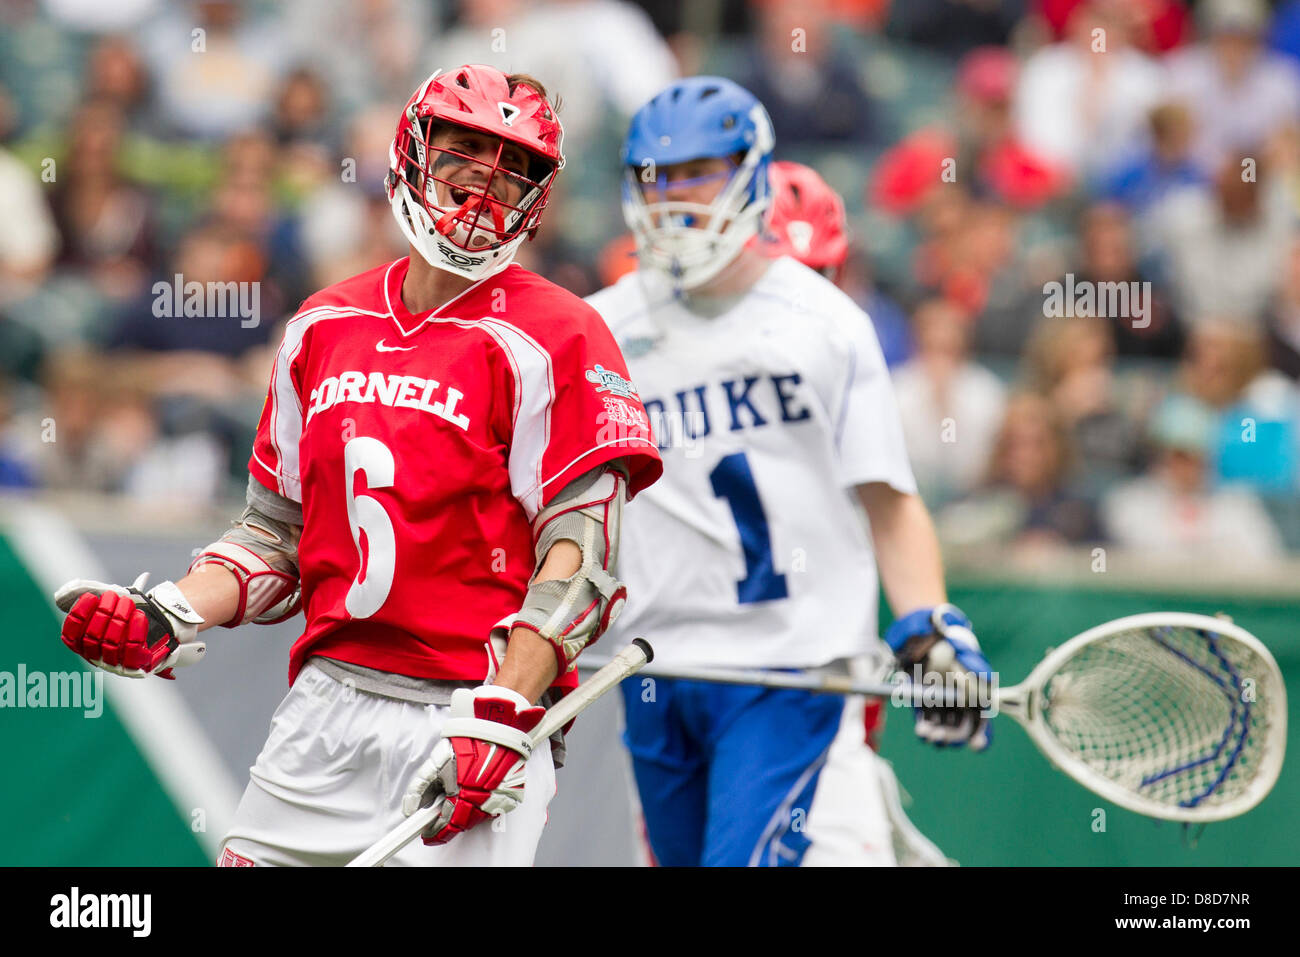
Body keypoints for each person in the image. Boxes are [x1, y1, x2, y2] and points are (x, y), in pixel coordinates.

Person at [52, 65, 662, 867]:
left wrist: (506, 708)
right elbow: (277, 537)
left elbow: (582, 560)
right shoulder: (323, 323)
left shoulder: (559, 334)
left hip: (466, 713)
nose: (484, 188)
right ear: (414, 149)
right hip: (324, 705)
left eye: (512, 170)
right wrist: (171, 610)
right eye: (465, 155)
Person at [587, 76, 993, 867]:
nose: (676, 195)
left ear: (750, 170)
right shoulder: (598, 327)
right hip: (653, 670)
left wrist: (930, 626)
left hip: (788, 667)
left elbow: (890, 501)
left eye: (699, 171)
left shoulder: (826, 322)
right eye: (657, 175)